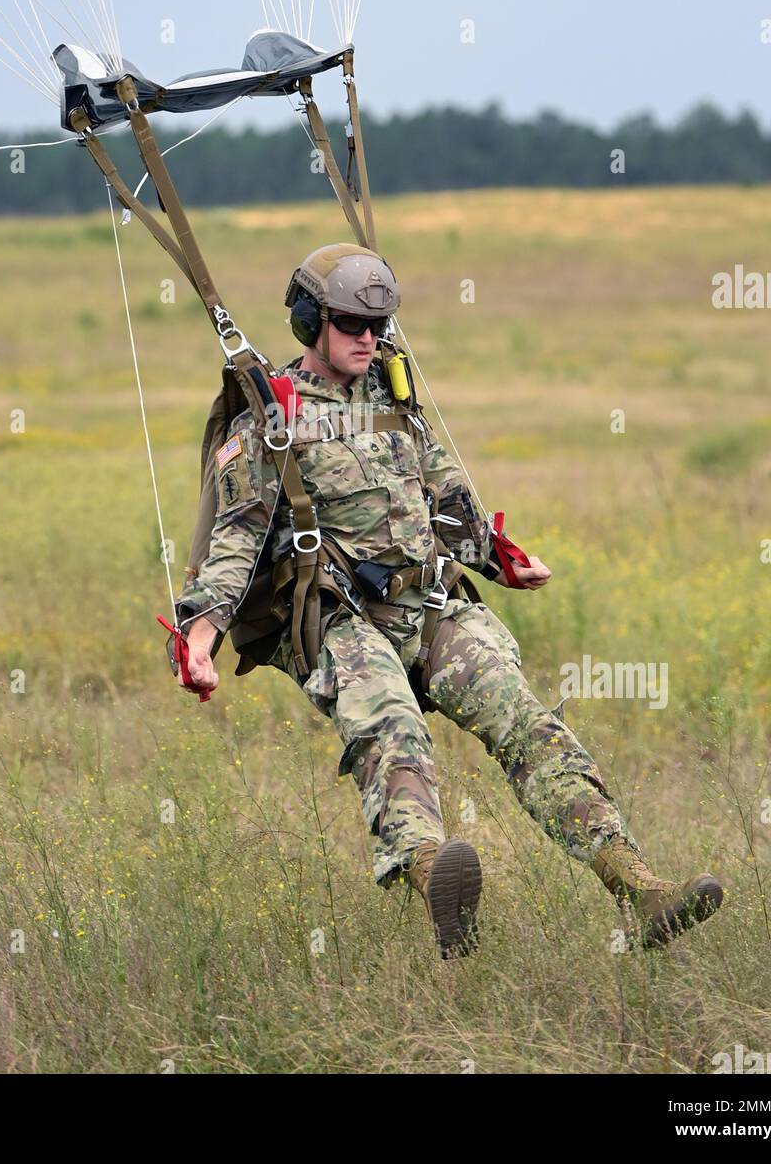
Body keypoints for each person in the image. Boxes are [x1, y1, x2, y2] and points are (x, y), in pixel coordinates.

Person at [173, 244, 724, 958]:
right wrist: (200, 637)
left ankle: (639, 888)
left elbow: (446, 496)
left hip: (428, 607)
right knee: (391, 730)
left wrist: (500, 558)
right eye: (348, 323)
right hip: (338, 621)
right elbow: (235, 543)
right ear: (310, 320)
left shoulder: (394, 399)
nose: (366, 338)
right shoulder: (271, 419)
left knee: (525, 721)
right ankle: (437, 879)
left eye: (377, 323)